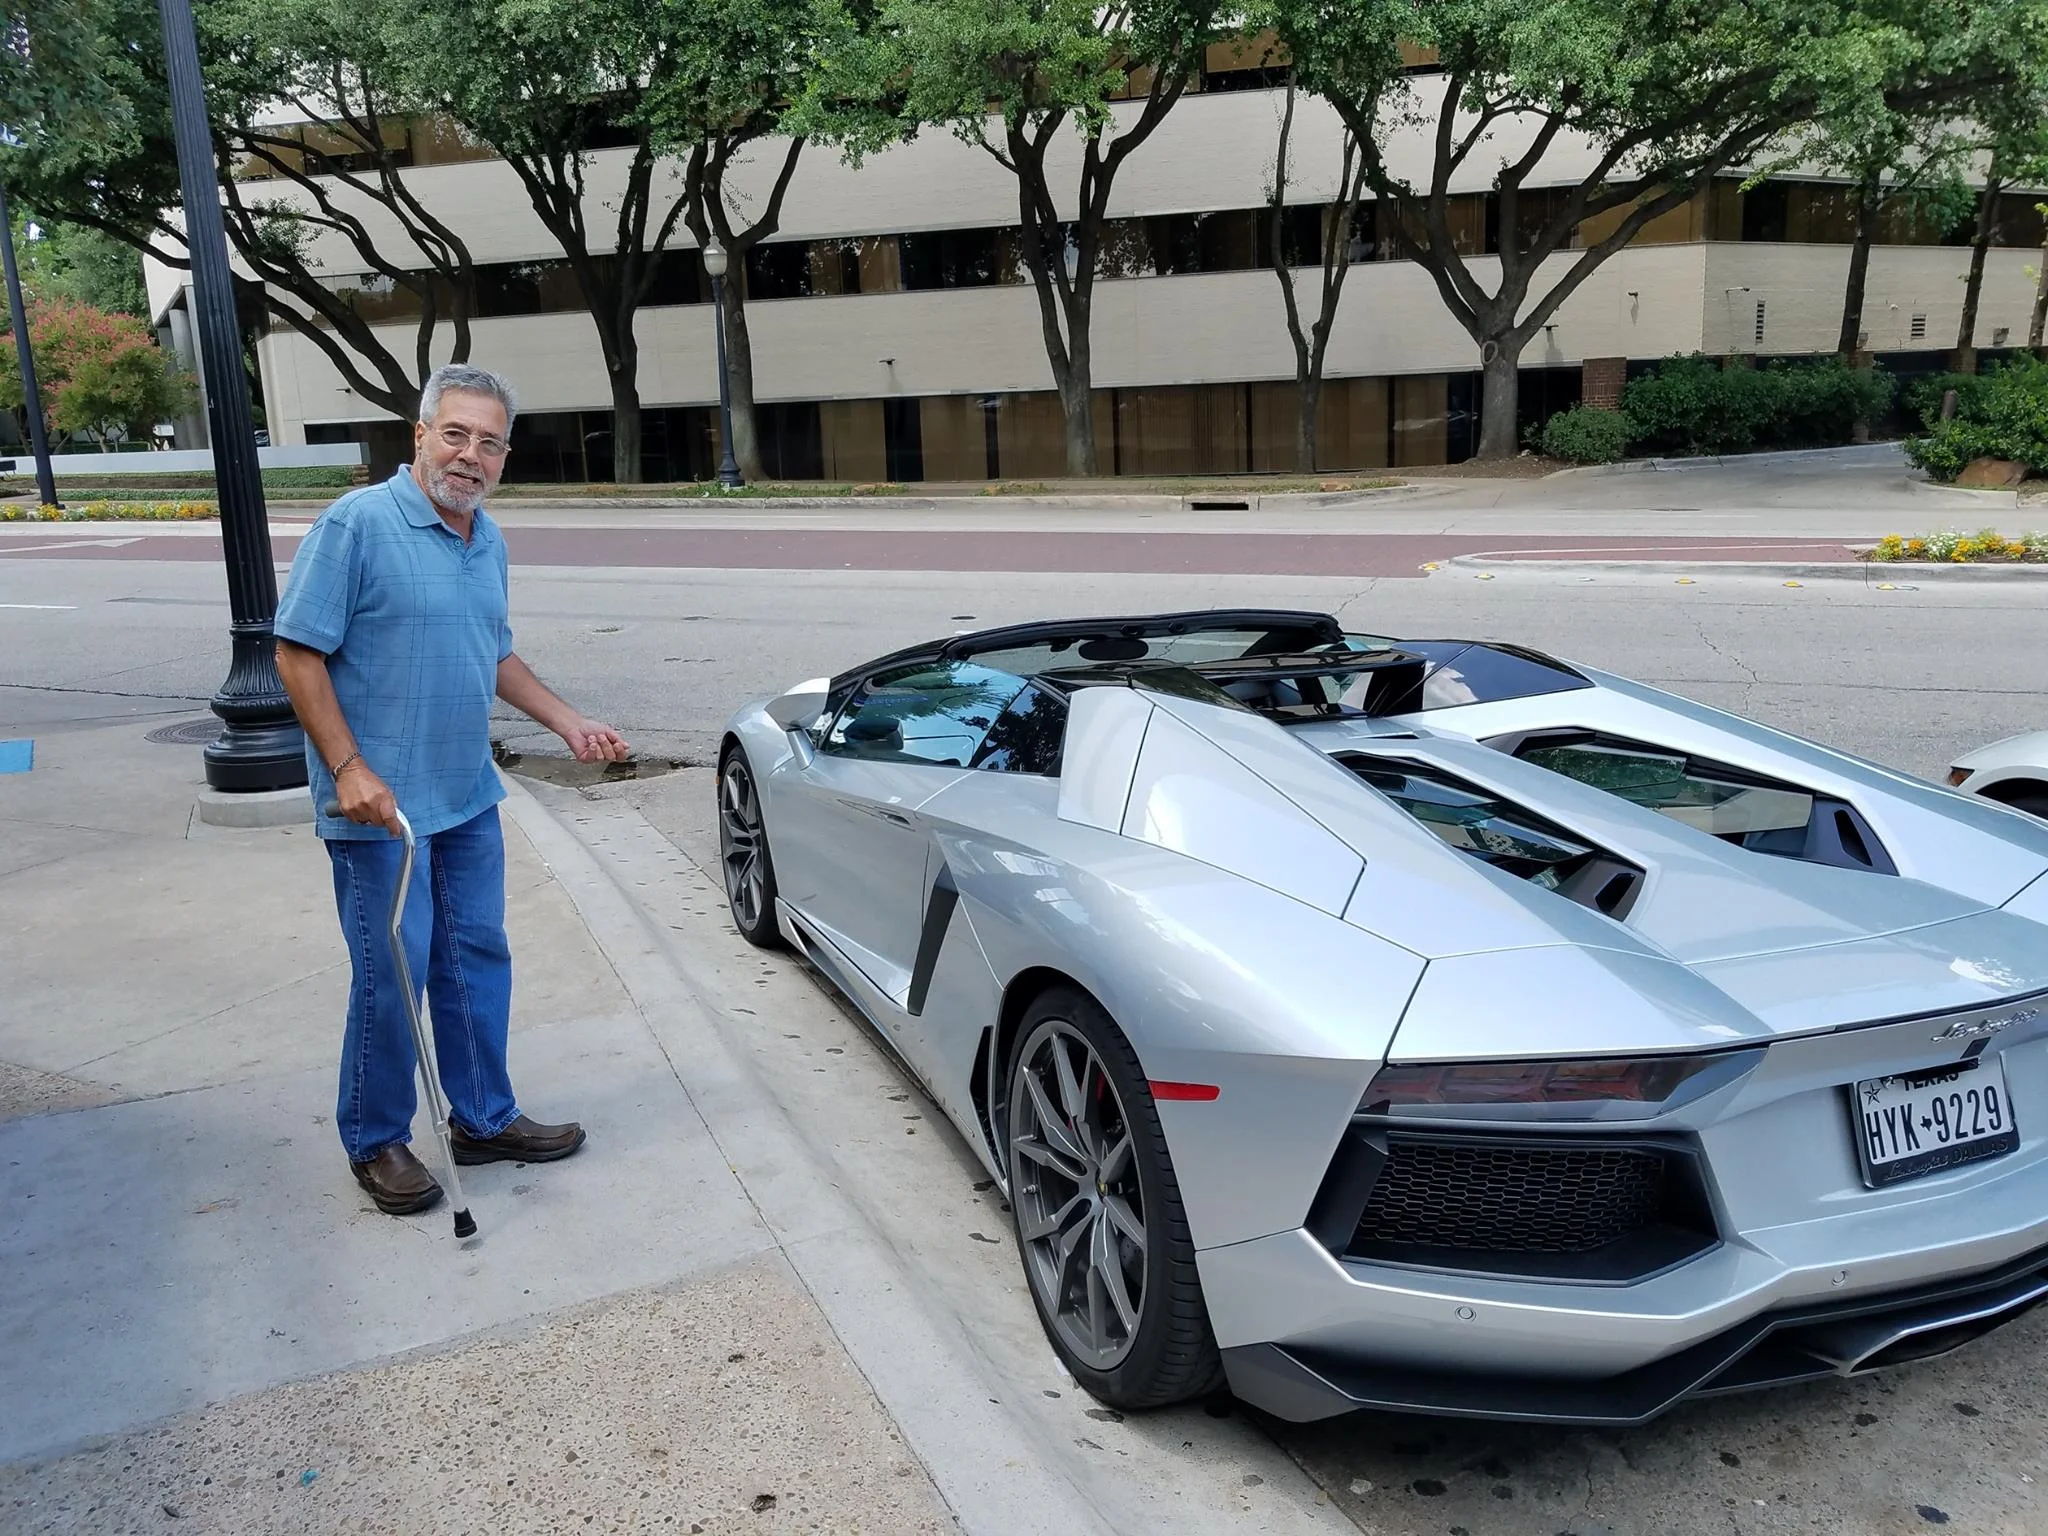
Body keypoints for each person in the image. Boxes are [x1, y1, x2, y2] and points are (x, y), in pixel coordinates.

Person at [274, 363, 629, 1216]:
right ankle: (377, 1138)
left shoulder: (486, 537)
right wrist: (349, 768)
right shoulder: (356, 525)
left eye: (490, 442)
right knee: (394, 971)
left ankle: (482, 1117)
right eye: (456, 434)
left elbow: (493, 652)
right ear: (421, 436)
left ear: (505, 456)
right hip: (380, 811)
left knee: (476, 959)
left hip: (467, 792)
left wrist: (567, 721)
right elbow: (296, 652)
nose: (471, 455)